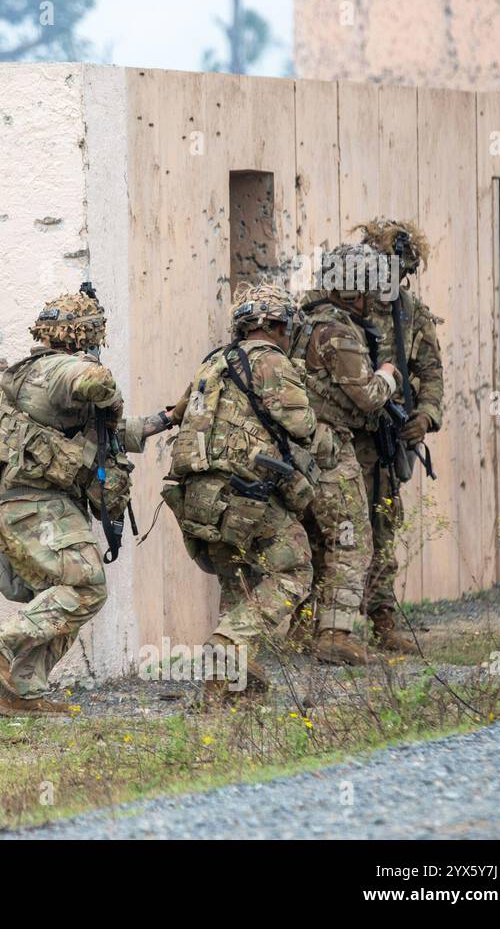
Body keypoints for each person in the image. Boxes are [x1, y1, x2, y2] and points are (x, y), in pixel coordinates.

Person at [0, 283, 174, 717]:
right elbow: (93, 380)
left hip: (32, 504)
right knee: (87, 588)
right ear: (85, 335)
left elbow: (110, 435)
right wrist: (106, 389)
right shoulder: (57, 369)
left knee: (65, 597)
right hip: (39, 506)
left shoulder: (29, 375)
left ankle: (23, 693)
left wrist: (168, 418)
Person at [162, 283, 317, 706]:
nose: (289, 334)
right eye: (287, 327)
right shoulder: (271, 361)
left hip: (199, 494)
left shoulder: (212, 363)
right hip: (245, 492)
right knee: (295, 568)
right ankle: (228, 643)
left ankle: (224, 693)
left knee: (240, 586)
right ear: (277, 324)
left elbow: (179, 414)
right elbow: (304, 426)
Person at [290, 244, 402, 664]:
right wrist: (388, 376)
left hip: (302, 448)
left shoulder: (303, 322)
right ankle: (335, 635)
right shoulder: (336, 331)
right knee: (352, 539)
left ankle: (306, 631)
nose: (375, 296)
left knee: (317, 541)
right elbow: (369, 396)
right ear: (354, 288)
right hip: (330, 450)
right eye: (370, 286)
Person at [351, 218, 444, 652]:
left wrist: (424, 417)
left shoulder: (413, 313)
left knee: (384, 524)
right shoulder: (352, 308)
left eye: (400, 271)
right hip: (350, 436)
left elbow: (431, 373)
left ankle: (382, 618)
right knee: (339, 527)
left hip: (391, 438)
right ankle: (321, 623)